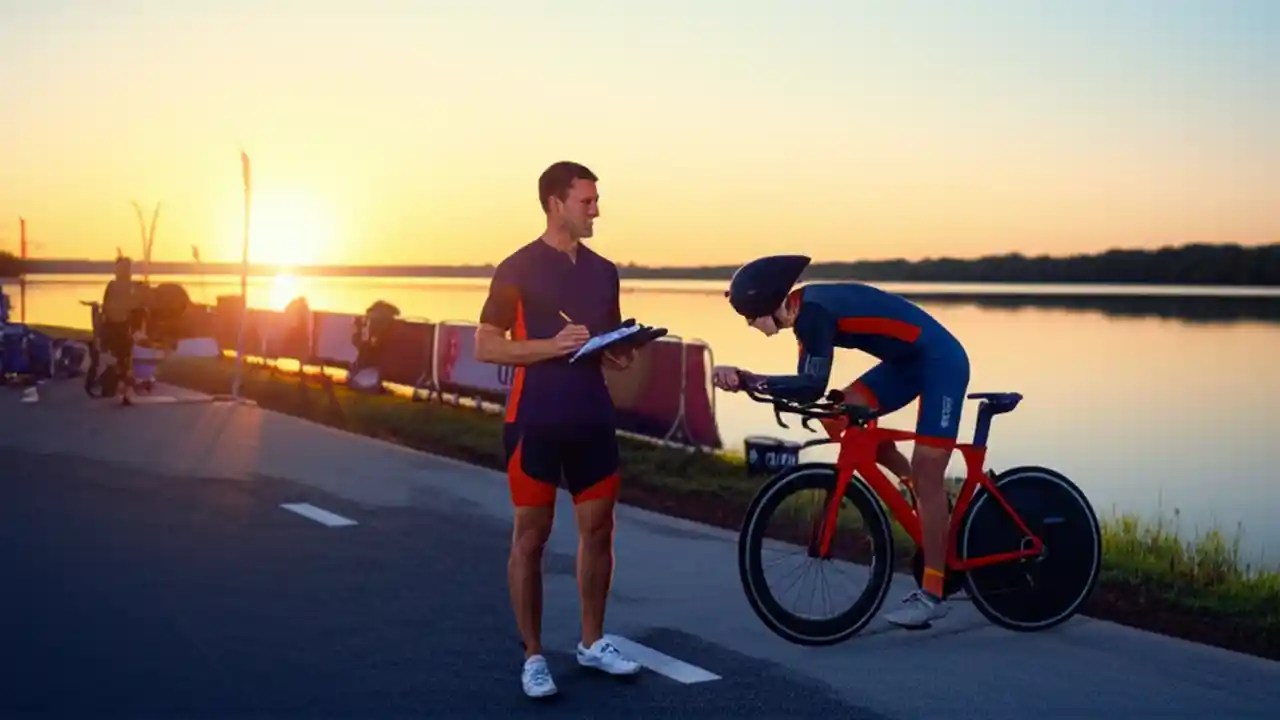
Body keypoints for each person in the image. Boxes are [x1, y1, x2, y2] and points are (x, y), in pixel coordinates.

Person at [712, 254, 970, 629]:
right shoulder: (804, 313)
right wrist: (753, 382)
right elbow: (806, 387)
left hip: (940, 360)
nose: (751, 324)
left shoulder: (813, 315)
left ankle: (932, 592)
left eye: (750, 316)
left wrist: (748, 378)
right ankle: (914, 489)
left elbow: (811, 385)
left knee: (929, 471)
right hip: (906, 364)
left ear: (768, 304)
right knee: (838, 416)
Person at [474, 161, 642, 698]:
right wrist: (554, 346)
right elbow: (486, 344)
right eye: (587, 201)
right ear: (555, 203)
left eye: (596, 201)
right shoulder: (517, 267)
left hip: (592, 415)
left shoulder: (604, 270)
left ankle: (592, 642)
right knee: (532, 538)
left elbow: (602, 344)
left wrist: (620, 350)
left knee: (599, 531)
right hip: (535, 418)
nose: (596, 210)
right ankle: (534, 655)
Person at [101, 256, 146, 406]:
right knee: (120, 358)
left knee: (124, 358)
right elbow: (106, 306)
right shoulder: (115, 286)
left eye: (127, 268)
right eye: (123, 268)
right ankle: (124, 386)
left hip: (123, 326)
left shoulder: (131, 286)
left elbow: (138, 305)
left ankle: (125, 388)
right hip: (115, 326)